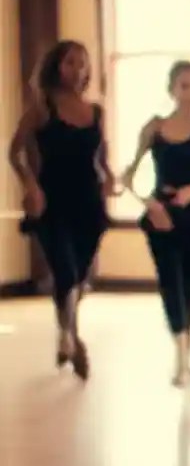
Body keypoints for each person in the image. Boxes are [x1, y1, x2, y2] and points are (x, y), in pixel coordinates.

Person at [119, 61, 190, 386]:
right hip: (162, 213)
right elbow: (129, 175)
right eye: (184, 86)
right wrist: (149, 202)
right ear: (171, 89)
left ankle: (185, 349)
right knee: (170, 282)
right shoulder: (154, 128)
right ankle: (181, 357)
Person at [7, 40, 118, 380]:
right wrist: (31, 185)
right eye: (71, 63)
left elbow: (101, 156)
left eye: (82, 64)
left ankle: (65, 332)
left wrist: (109, 176)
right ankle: (71, 337)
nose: (77, 70)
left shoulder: (95, 111)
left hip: (88, 201)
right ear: (57, 66)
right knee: (65, 271)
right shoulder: (42, 108)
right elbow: (15, 152)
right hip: (53, 200)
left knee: (79, 275)